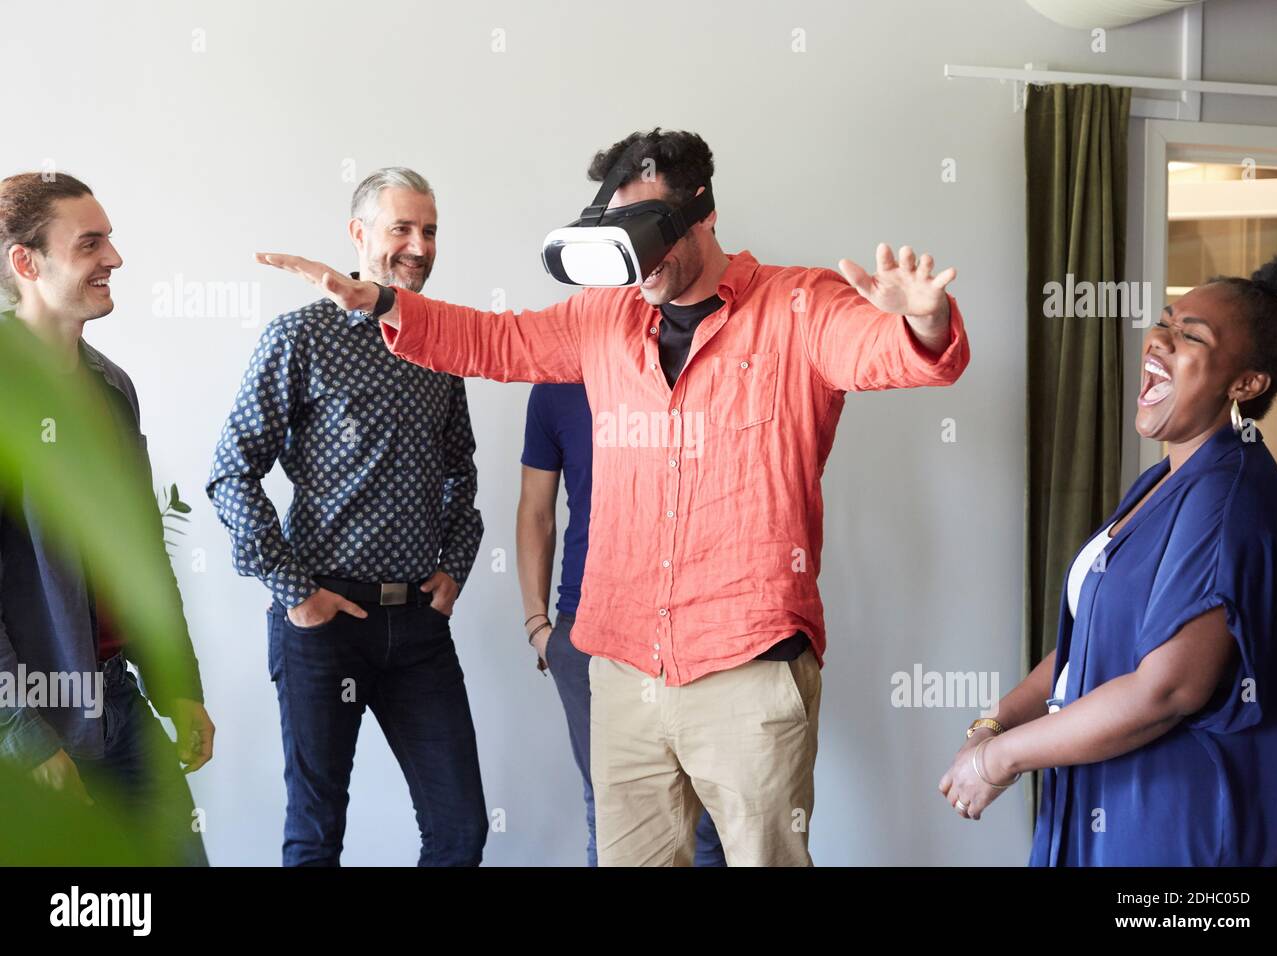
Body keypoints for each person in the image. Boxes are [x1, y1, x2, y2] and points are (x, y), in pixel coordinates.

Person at [258, 128, 971, 866]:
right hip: (624, 670)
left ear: (702, 216)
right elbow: (493, 340)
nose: (637, 262)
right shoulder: (604, 319)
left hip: (748, 665)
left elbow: (890, 351)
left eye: (649, 230)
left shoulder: (799, 304)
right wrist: (380, 300)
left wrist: (922, 318)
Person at [939, 254, 1277, 866]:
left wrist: (1000, 759)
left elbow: (1166, 691)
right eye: (1165, 321)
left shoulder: (1227, 498)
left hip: (1167, 832)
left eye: (1191, 335)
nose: (1160, 338)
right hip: (1100, 803)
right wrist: (997, 722)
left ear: (1246, 383)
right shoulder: (1168, 480)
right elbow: (1097, 638)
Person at [208, 168, 488, 866]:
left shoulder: (439, 344)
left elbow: (462, 473)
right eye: (402, 228)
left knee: (461, 832)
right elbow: (230, 473)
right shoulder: (299, 338)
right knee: (317, 834)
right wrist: (294, 591)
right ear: (359, 235)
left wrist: (454, 567)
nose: (419, 246)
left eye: (430, 231)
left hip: (418, 627)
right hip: (323, 626)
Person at [0, 171, 212, 865]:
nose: (114, 259)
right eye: (91, 243)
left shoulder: (111, 386)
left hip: (116, 702)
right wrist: (22, 736)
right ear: (25, 263)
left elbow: (140, 550)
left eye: (110, 240)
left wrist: (177, 685)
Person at [518, 381, 726, 866]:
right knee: (613, 814)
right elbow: (536, 510)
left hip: (698, 625)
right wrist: (538, 627)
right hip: (588, 632)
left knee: (706, 822)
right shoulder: (556, 386)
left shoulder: (693, 368)